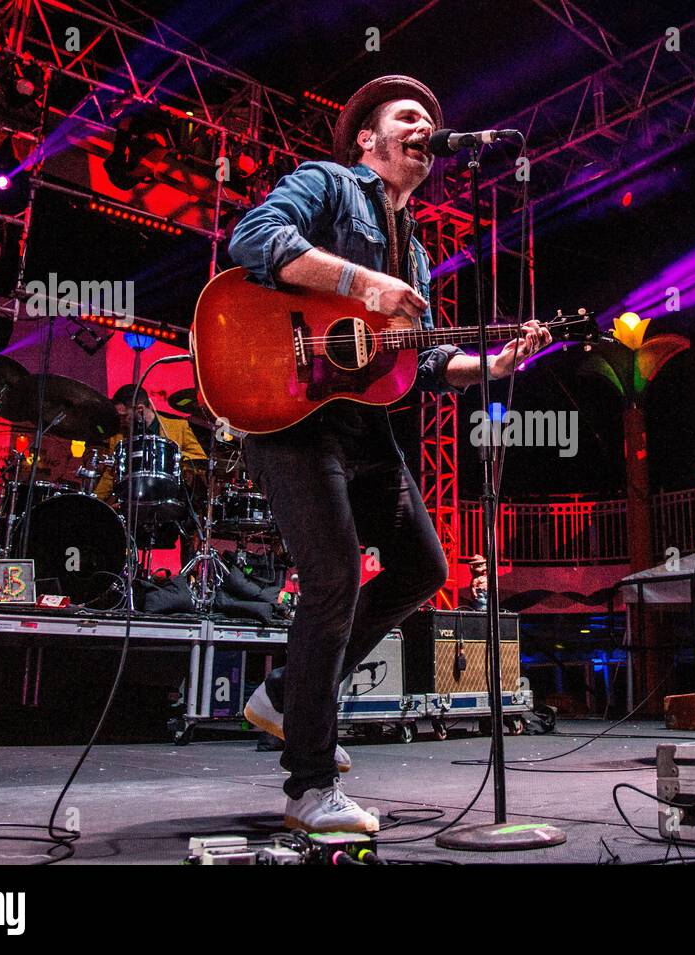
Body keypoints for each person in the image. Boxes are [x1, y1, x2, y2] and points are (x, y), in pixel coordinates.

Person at [227, 75, 551, 833]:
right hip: (291, 410)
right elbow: (254, 239)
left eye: (431, 121)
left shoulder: (421, 255)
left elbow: (424, 363)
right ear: (368, 141)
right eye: (408, 118)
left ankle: (285, 695)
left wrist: (494, 366)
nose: (425, 128)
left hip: (365, 427)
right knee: (335, 573)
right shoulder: (330, 185)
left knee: (425, 568)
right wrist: (358, 280)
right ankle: (309, 784)